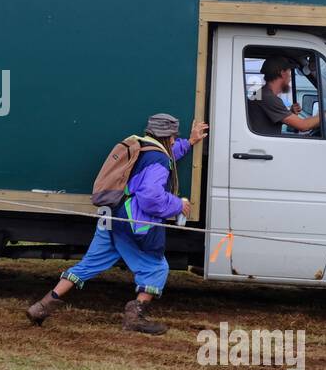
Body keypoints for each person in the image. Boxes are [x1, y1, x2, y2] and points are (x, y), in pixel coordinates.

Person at [25, 113, 209, 336]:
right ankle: (135, 317)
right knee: (156, 268)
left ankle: (42, 306)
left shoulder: (141, 147)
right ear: (168, 136)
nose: (174, 141)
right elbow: (150, 196)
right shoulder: (158, 159)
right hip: (132, 223)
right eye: (174, 137)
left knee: (88, 266)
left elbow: (162, 161)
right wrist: (177, 204)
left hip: (110, 216)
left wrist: (189, 143)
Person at [251, 56, 326, 135]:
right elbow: (304, 126)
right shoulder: (268, 97)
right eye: (289, 72)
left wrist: (289, 113)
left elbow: (264, 123)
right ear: (282, 73)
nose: (290, 78)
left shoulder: (261, 94)